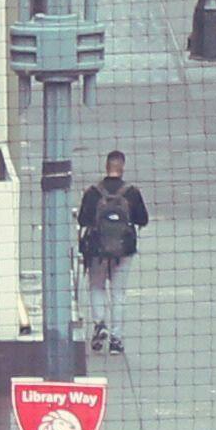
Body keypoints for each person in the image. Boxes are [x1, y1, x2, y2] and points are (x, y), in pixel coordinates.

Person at [75, 149, 148, 352]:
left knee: (96, 286)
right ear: (122, 167)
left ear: (106, 167)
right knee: (118, 293)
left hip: (97, 250)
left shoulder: (92, 192)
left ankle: (99, 325)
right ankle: (116, 339)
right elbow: (143, 219)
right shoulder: (131, 193)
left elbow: (83, 220)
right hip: (124, 250)